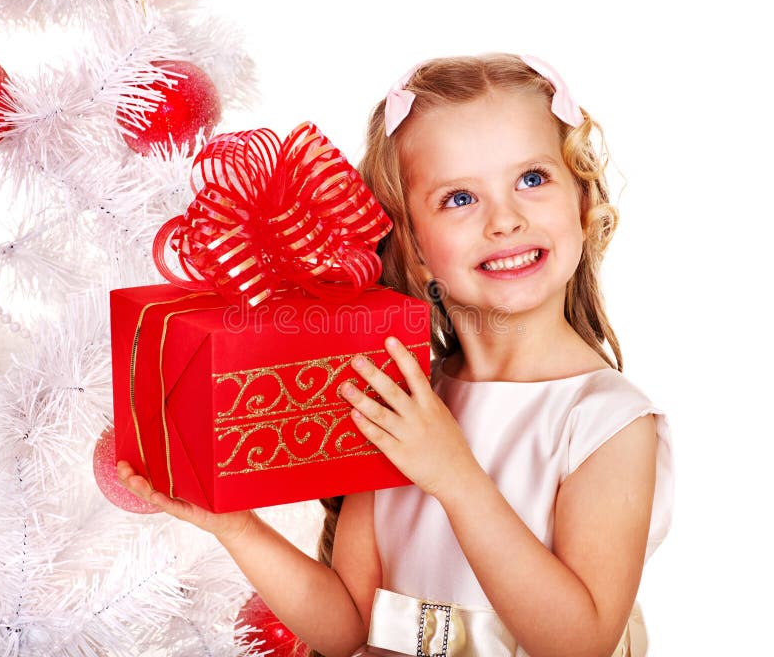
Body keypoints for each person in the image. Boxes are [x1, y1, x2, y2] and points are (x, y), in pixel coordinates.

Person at [117, 52, 674, 657]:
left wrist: (455, 477)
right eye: (459, 198)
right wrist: (234, 525)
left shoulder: (607, 422)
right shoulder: (398, 397)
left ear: (584, 204)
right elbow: (345, 626)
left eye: (532, 179)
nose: (505, 219)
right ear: (412, 247)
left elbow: (580, 643)